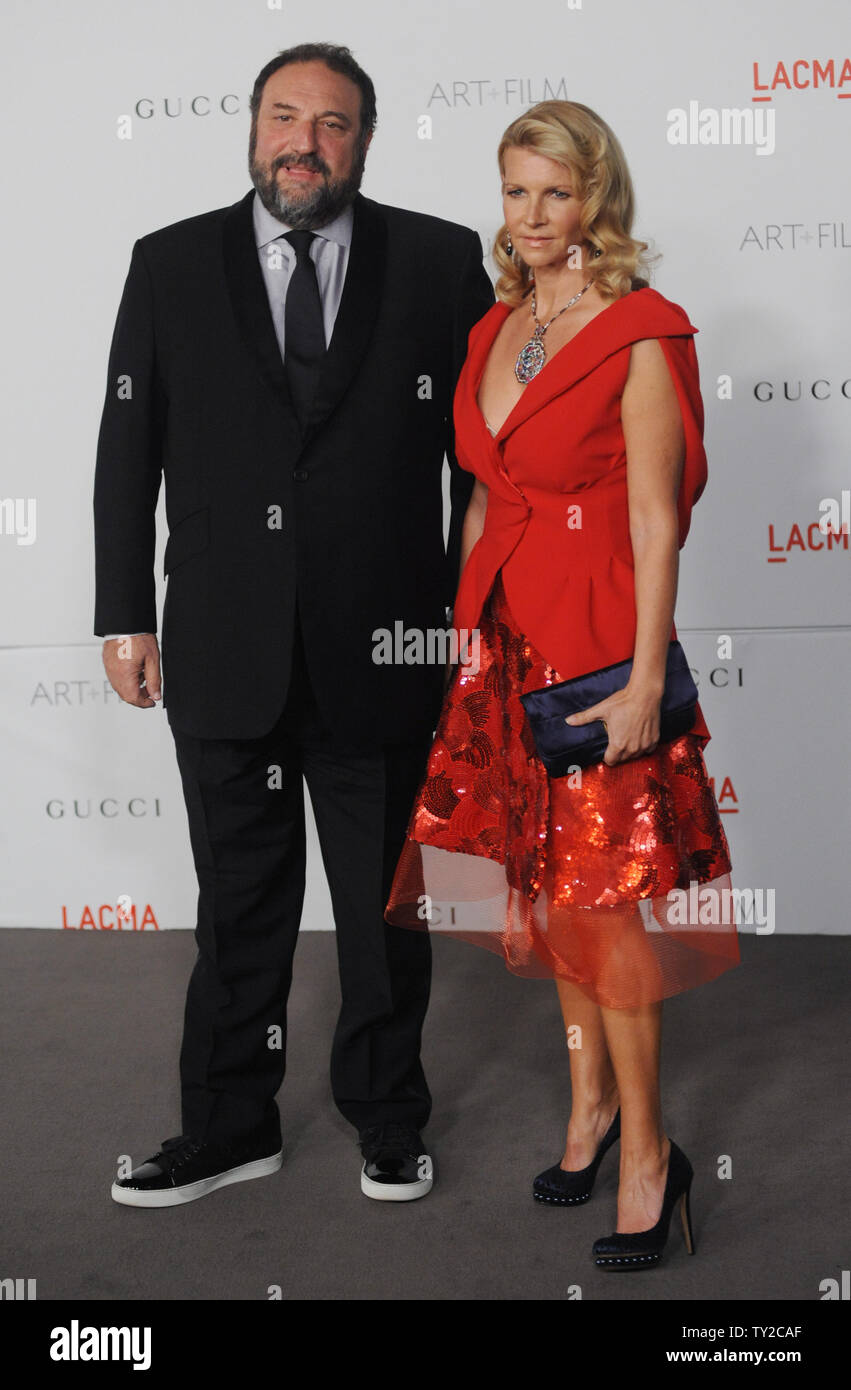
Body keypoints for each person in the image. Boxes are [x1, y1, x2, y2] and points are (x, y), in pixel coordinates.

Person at [93, 42, 494, 1207]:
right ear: (252, 125)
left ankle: (386, 1116)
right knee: (239, 905)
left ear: (364, 140)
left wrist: (475, 617)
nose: (303, 143)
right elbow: (131, 449)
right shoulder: (166, 263)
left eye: (331, 124)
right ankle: (228, 1124)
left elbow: (483, 460)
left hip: (385, 646)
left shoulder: (434, 258)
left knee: (383, 909)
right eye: (284, 117)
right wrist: (124, 610)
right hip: (221, 641)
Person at [385, 100, 740, 1266]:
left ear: (597, 198)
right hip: (502, 654)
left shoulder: (644, 329)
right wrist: (460, 649)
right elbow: (483, 495)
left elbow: (655, 514)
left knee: (604, 910)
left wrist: (643, 680)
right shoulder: (495, 328)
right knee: (545, 904)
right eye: (513, 192)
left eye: (553, 192)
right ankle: (587, 1111)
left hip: (593, 656)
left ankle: (649, 1152)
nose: (530, 217)